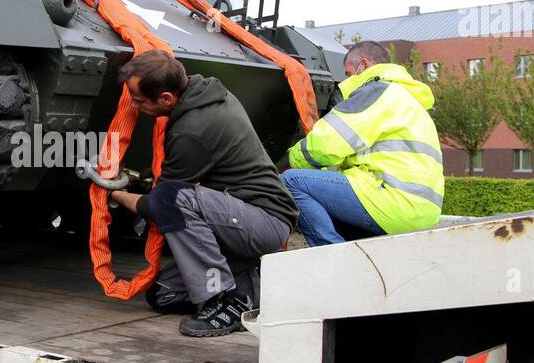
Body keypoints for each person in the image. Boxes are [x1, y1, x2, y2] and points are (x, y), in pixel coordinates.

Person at [110, 51, 298, 337]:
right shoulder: (204, 94)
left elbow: (165, 202)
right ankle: (246, 286)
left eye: (138, 100)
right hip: (237, 218)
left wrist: (118, 196)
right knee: (163, 296)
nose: (134, 107)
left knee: (175, 199)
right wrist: (142, 180)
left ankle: (226, 299)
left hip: (264, 220)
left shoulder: (192, 130)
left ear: (166, 99)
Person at [282, 40, 443, 247]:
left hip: (392, 200)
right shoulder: (408, 99)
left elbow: (326, 144)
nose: (347, 80)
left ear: (364, 65)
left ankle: (333, 257)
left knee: (291, 182)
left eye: (349, 74)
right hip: (419, 211)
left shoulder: (376, 91)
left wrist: (287, 160)